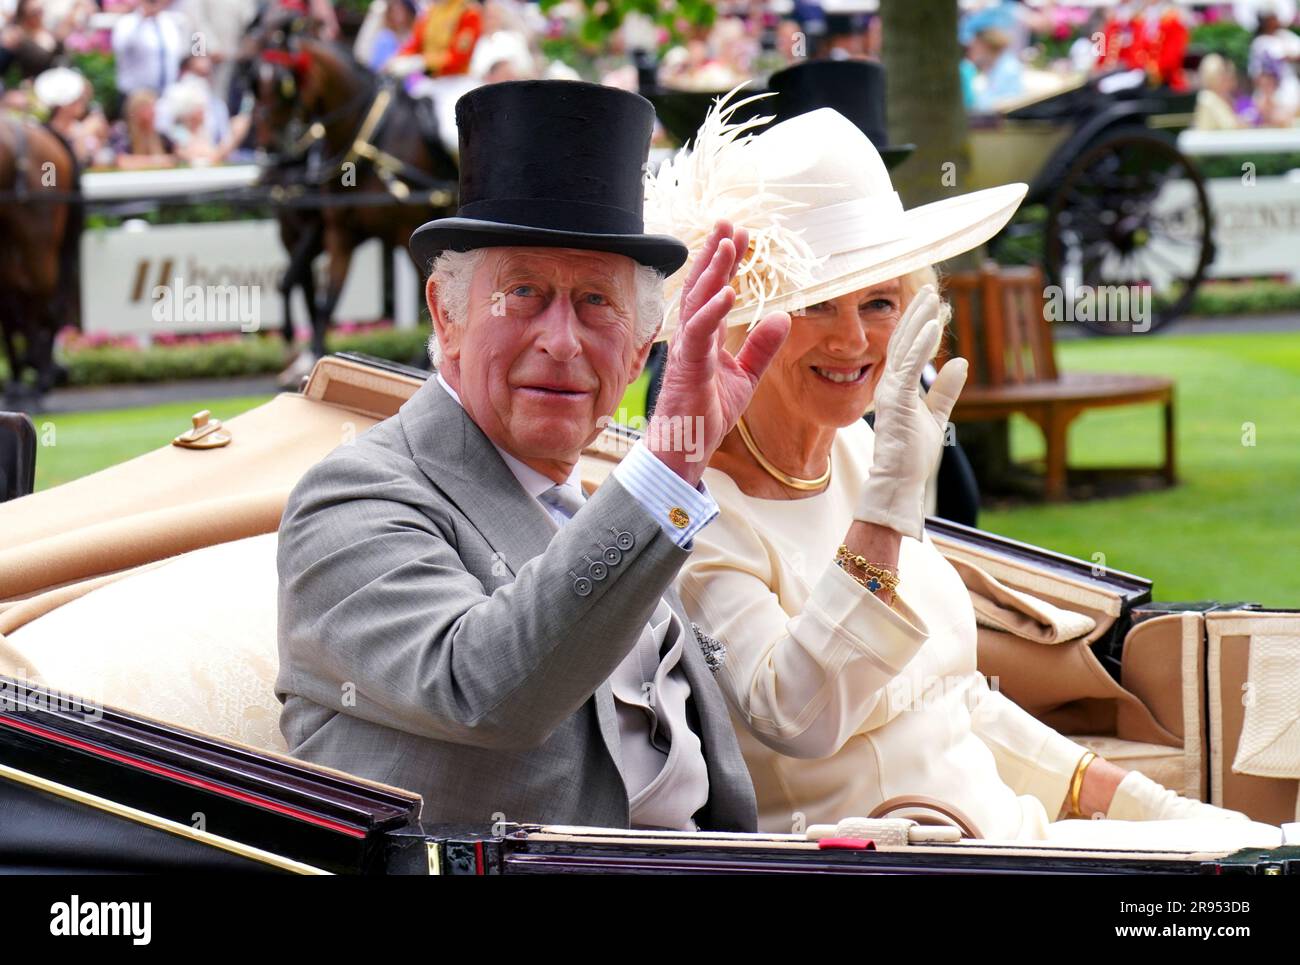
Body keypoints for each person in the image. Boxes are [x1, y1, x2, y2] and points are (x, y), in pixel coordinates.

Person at [649, 99, 1286, 850]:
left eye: (880, 301)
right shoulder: (699, 513)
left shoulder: (856, 451)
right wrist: (885, 514)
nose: (853, 338)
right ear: (742, 325)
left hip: (1015, 836)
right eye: (816, 304)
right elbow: (798, 716)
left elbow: (951, 700)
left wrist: (1146, 803)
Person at [275, 80, 790, 830]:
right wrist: (668, 467)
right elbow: (486, 688)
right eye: (522, 292)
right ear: (445, 315)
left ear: (641, 345)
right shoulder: (352, 497)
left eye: (596, 302)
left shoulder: (600, 496)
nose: (560, 340)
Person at [111, 0, 188, 103]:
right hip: (135, 97)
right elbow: (121, 47)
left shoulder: (168, 23)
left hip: (165, 95)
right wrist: (142, 19)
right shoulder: (127, 23)